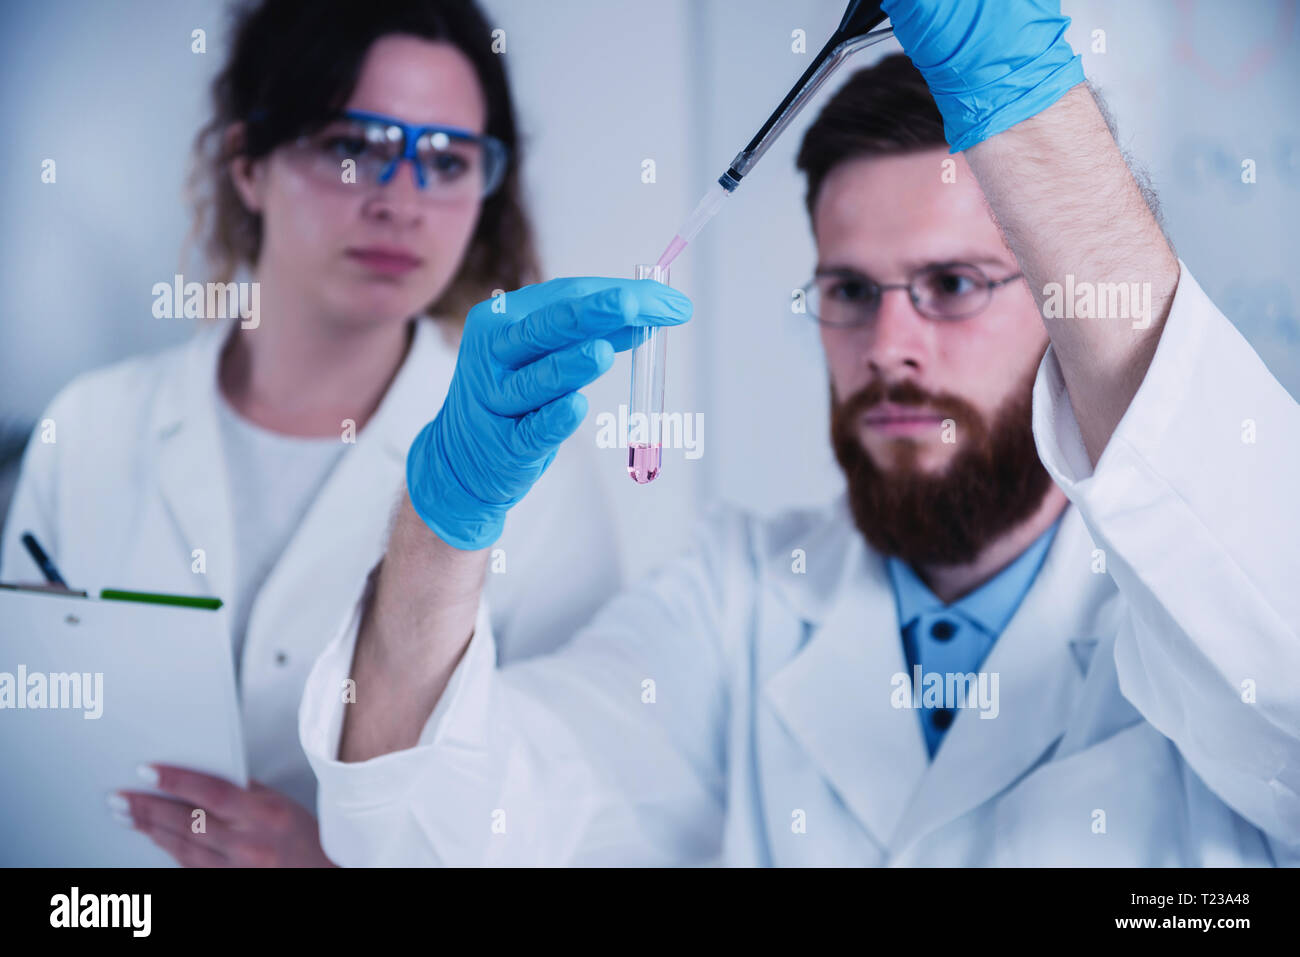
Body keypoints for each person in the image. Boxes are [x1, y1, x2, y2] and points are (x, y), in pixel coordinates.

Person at [299, 0, 1300, 866]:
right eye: (849, 290)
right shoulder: (734, 601)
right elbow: (427, 834)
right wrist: (442, 521)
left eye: (951, 285)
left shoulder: (1196, 606)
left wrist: (1036, 112)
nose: (888, 344)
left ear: (1059, 304)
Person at [0, 0, 623, 867]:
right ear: (247, 164)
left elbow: (571, 814)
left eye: (446, 160)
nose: (401, 199)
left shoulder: (526, 455)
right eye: (350, 146)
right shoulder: (92, 426)